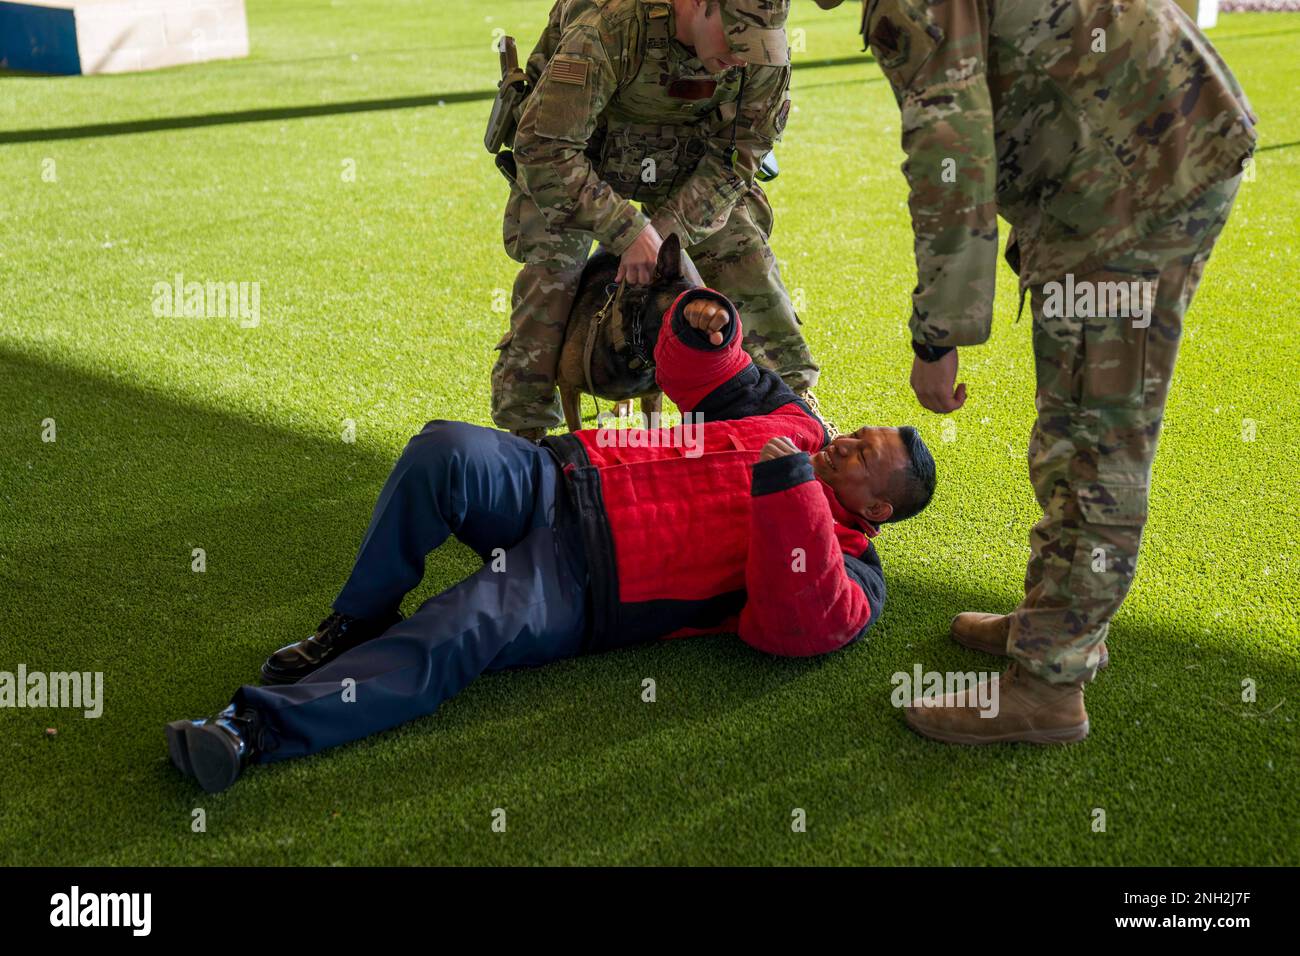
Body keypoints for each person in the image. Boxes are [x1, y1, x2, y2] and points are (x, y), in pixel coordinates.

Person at [166, 286, 936, 793]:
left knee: (457, 629)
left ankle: (251, 731)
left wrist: (791, 490)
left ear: (882, 508)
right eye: (858, 432)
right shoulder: (798, 424)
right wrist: (708, 328)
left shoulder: (857, 572)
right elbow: (706, 373)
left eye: (864, 455)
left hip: (585, 585)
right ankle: (356, 621)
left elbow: (795, 624)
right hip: (557, 476)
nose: (844, 443)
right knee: (444, 450)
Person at [812, 0, 1257, 743]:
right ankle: (1058, 625)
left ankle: (1050, 688)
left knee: (1094, 442)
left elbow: (952, 155)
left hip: (1132, 189)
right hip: (1132, 159)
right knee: (1073, 432)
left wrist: (939, 334)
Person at [492, 0, 823, 441]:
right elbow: (545, 150)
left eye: (758, 44)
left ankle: (794, 417)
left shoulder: (762, 54)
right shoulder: (610, 28)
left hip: (684, 168)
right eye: (736, 38)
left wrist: (665, 234)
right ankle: (526, 434)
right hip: (581, 163)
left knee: (744, 258)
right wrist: (626, 229)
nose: (744, 57)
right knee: (552, 275)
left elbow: (738, 161)